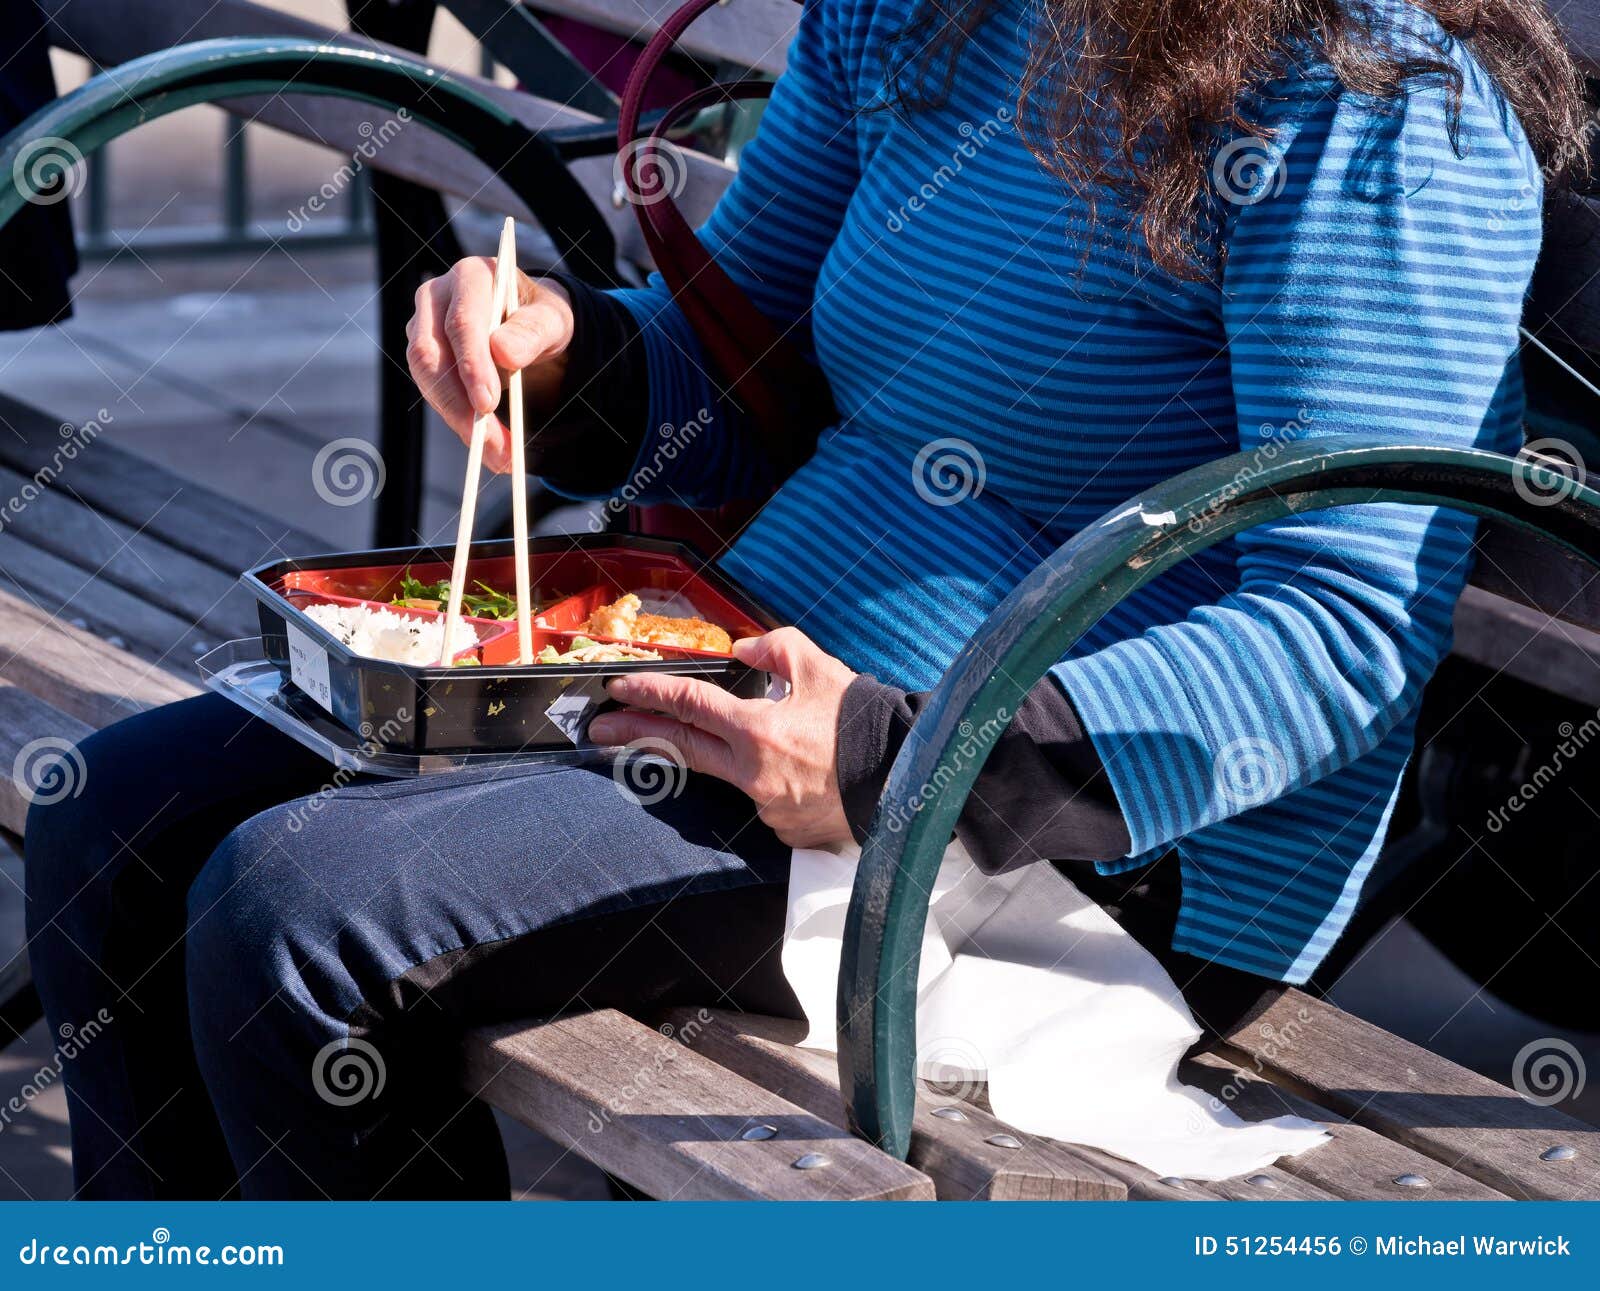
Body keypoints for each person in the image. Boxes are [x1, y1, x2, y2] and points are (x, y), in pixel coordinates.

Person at [25, 0, 1584, 1198]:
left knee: (303, 913)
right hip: (756, 676)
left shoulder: (1380, 107)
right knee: (117, 814)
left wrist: (906, 760)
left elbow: (1342, 630)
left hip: (1088, 828)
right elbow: (747, 360)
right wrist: (562, 350)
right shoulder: (915, 14)